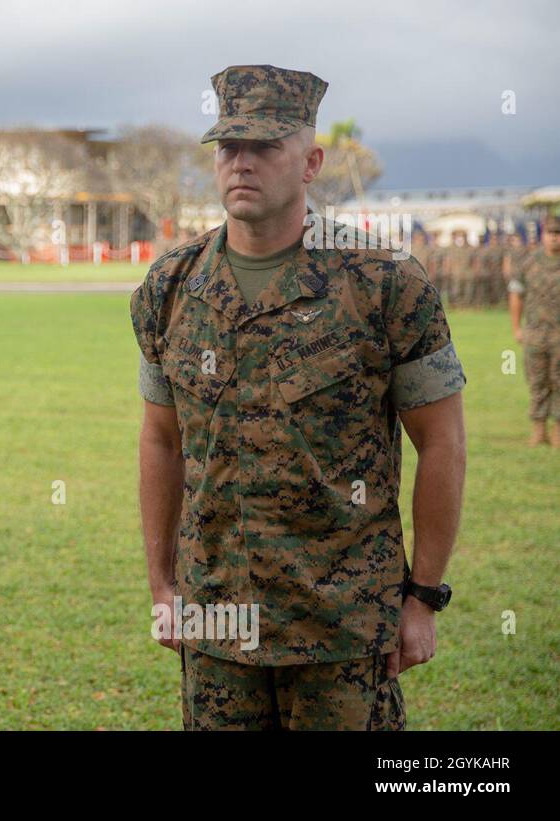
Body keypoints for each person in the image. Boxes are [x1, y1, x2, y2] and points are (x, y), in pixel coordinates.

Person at [131, 65, 467, 730]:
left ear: (311, 161)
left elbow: (443, 441)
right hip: (216, 618)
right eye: (229, 148)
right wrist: (163, 585)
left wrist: (422, 598)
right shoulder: (171, 286)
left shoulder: (384, 283)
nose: (242, 164)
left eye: (265, 147)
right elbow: (160, 440)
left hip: (341, 623)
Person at [508, 215, 560, 446]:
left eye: (558, 234)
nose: (555, 238)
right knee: (537, 380)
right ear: (543, 235)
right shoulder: (529, 263)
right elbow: (516, 296)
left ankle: (558, 429)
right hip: (535, 333)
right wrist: (517, 328)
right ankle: (539, 429)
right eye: (551, 233)